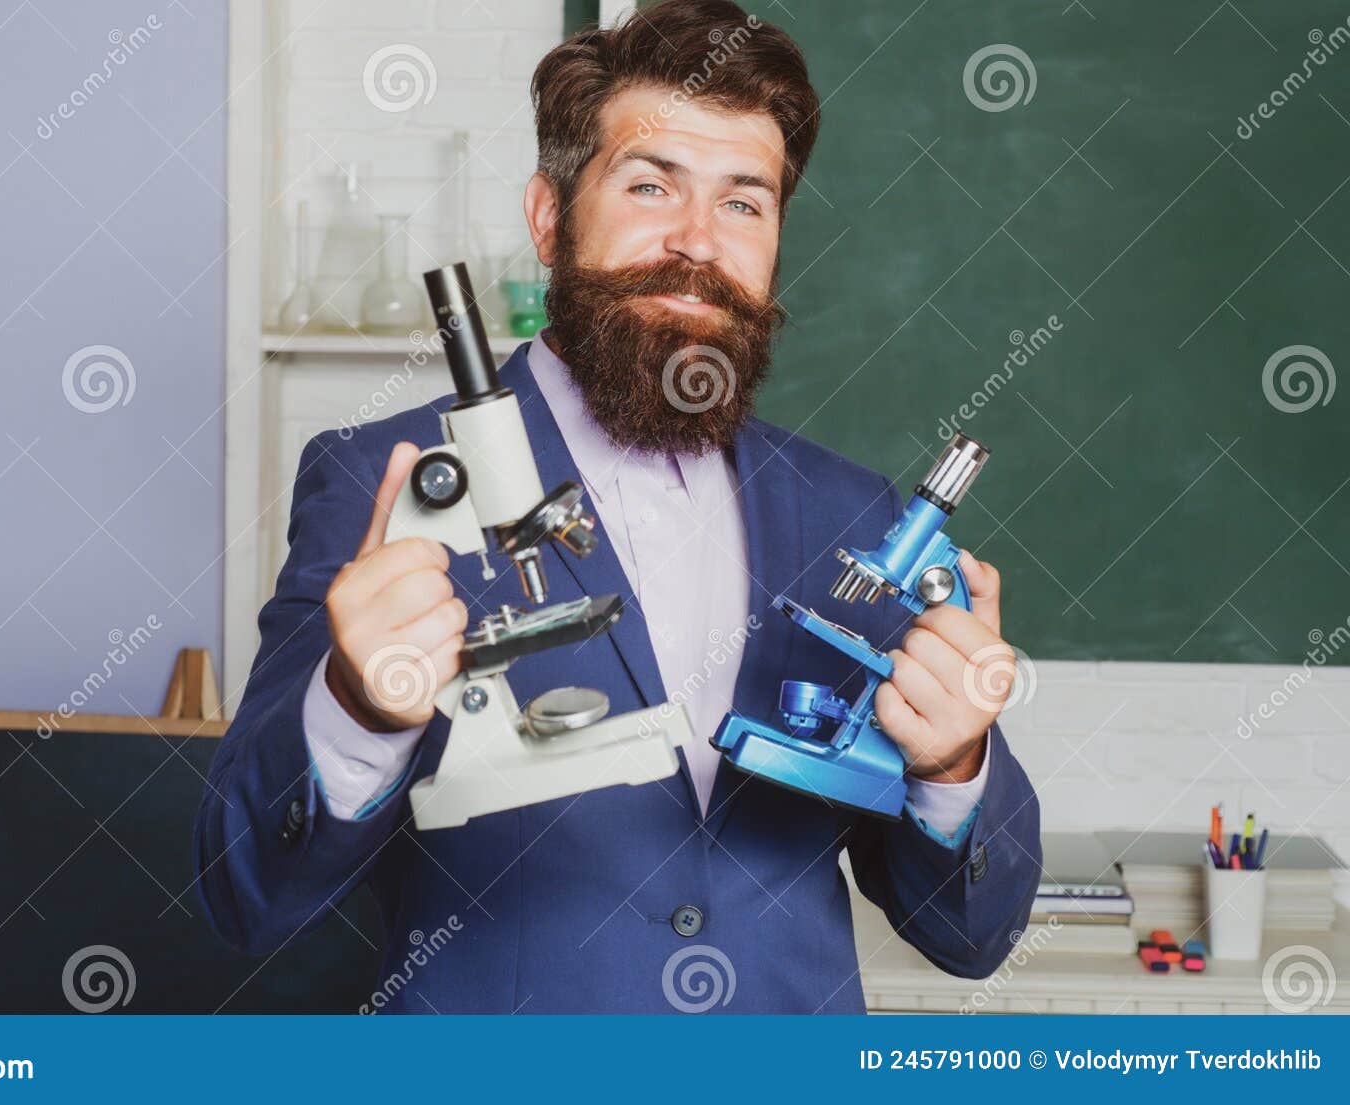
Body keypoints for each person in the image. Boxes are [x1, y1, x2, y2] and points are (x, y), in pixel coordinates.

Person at [196, 0, 1041, 1013]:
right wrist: (359, 709)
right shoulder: (387, 477)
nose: (697, 242)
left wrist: (951, 761)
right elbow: (241, 889)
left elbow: (972, 933)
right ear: (549, 216)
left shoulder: (849, 515)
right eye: (649, 185)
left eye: (744, 202)